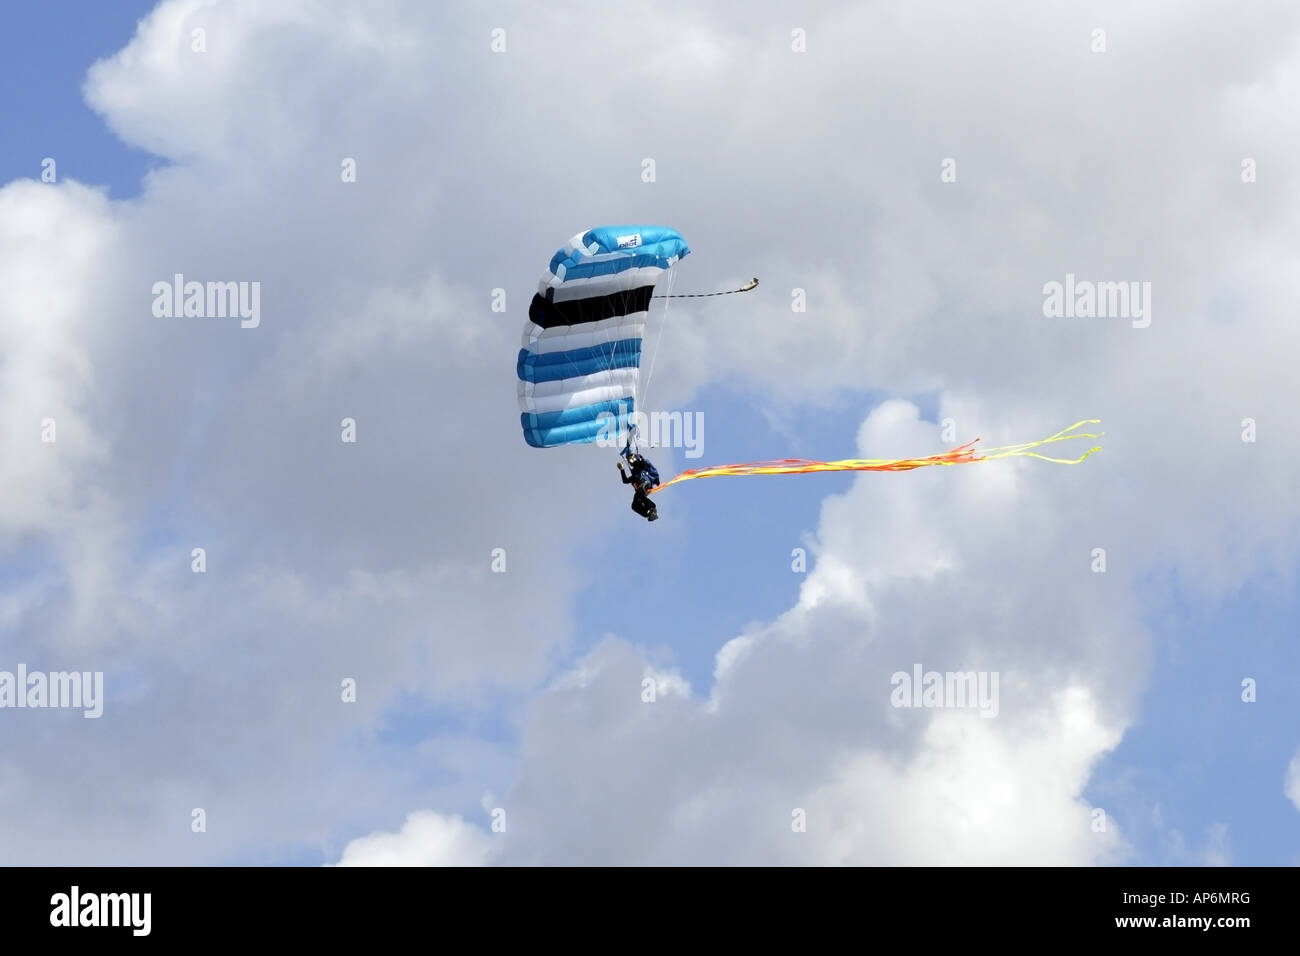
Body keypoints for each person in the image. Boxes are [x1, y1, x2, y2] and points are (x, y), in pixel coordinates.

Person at [618, 442, 660, 521]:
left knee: (640, 489)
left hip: (646, 483)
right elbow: (625, 480)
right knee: (634, 506)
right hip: (641, 489)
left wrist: (635, 456)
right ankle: (648, 514)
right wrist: (622, 469)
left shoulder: (641, 465)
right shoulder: (634, 474)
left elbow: (643, 461)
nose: (630, 460)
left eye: (631, 458)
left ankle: (653, 508)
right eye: (629, 459)